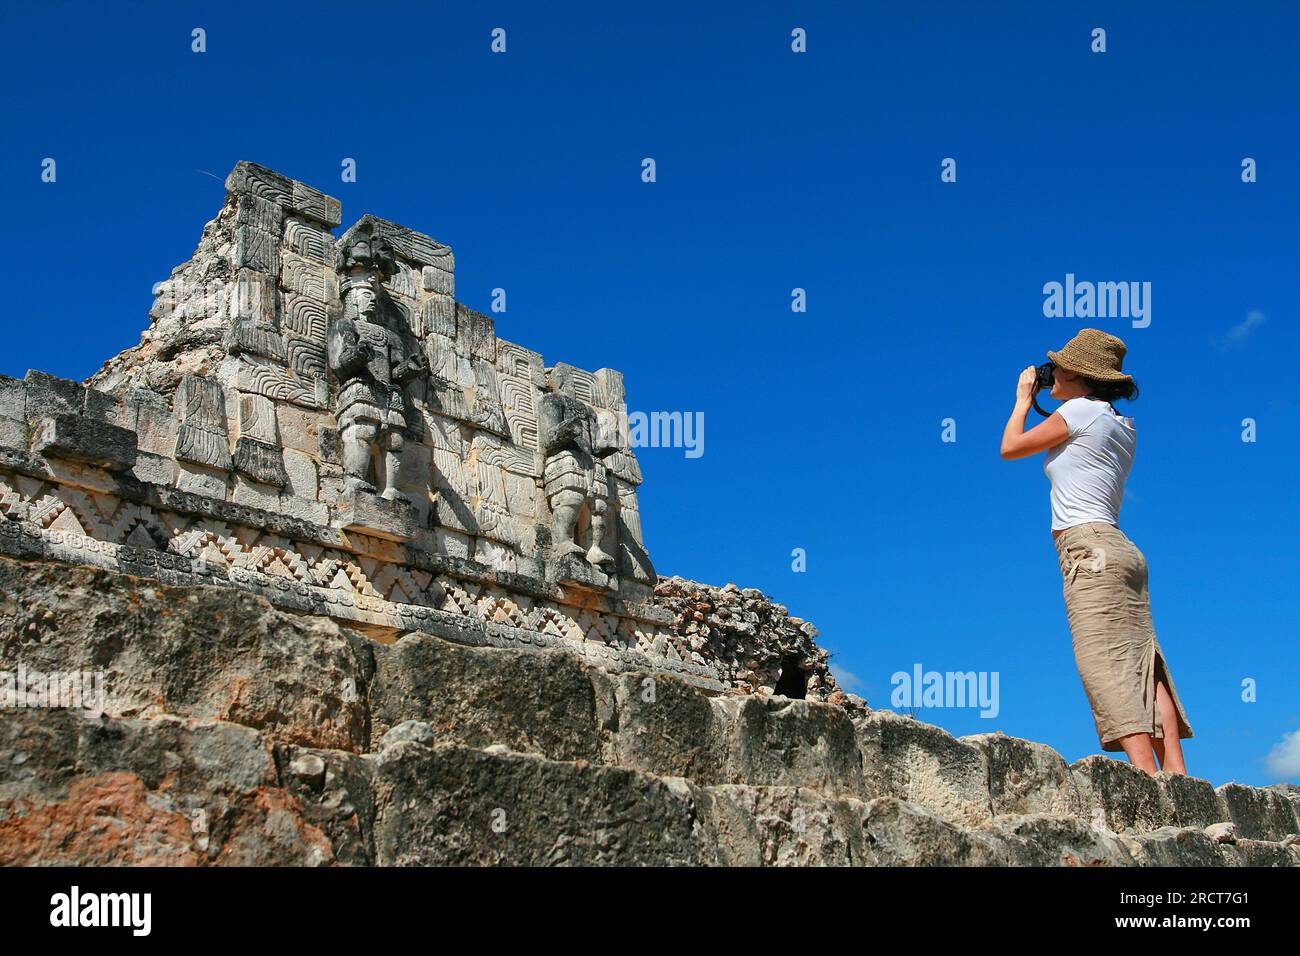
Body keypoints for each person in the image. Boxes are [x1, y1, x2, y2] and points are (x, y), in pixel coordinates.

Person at [999, 328, 1194, 775]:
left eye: (1060, 367)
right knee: (1143, 658)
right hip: (1121, 548)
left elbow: (1010, 447)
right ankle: (1178, 773)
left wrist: (1023, 401)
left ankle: (1147, 775)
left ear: (1081, 376)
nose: (1053, 372)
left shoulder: (1079, 410)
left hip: (1087, 548)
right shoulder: (1121, 423)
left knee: (1103, 660)